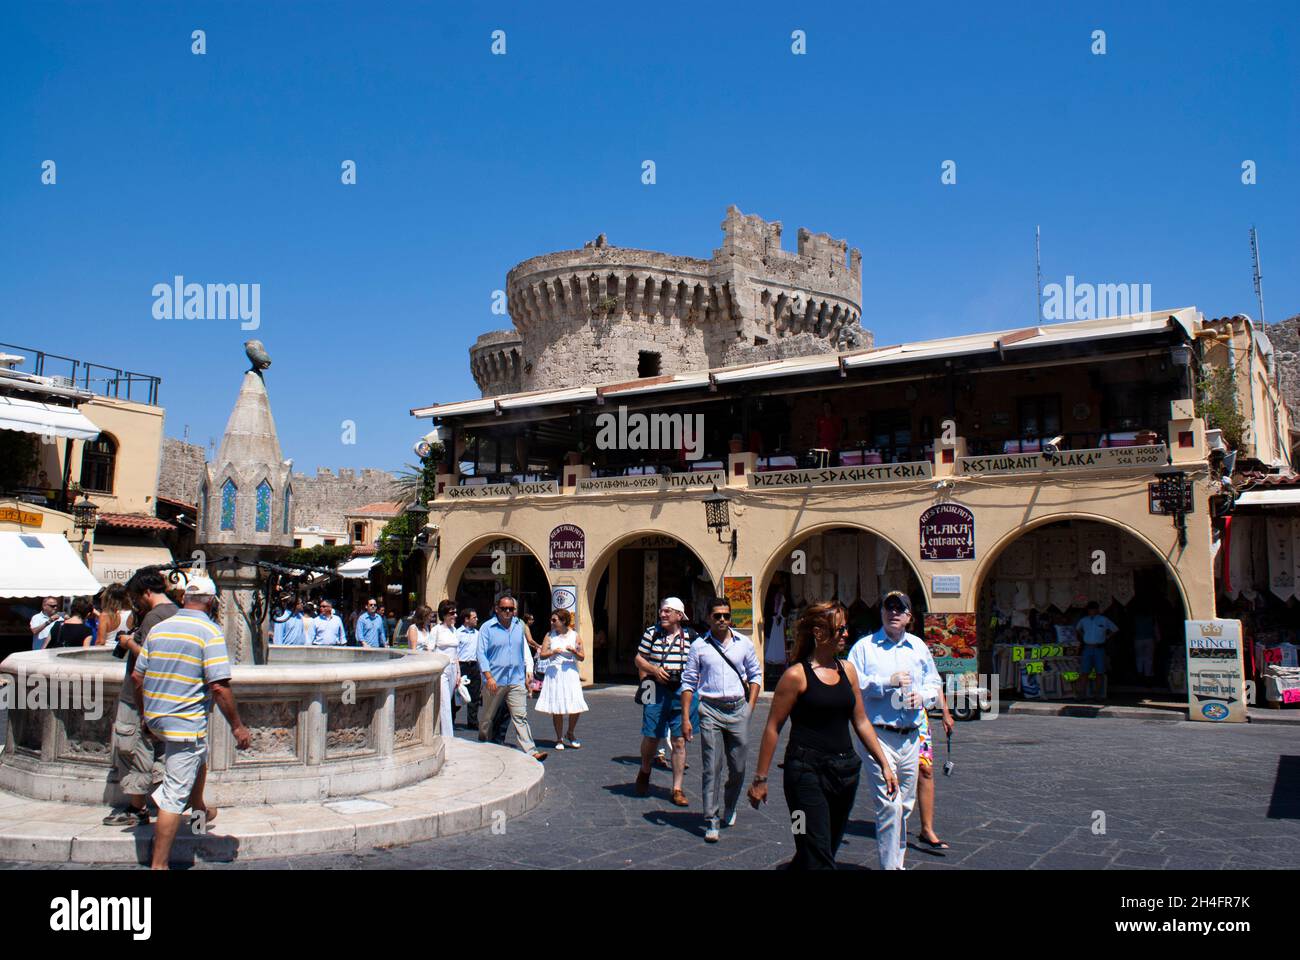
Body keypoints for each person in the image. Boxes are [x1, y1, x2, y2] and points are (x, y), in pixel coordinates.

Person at [748, 602, 898, 869]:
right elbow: (773, 727)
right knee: (817, 854)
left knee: (821, 849)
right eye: (840, 629)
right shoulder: (796, 676)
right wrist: (760, 779)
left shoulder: (848, 670)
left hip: (845, 773)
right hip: (806, 773)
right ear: (819, 633)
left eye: (846, 628)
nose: (846, 634)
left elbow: (861, 720)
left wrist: (884, 763)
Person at [132, 575, 251, 869]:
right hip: (185, 723)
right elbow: (220, 686)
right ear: (212, 603)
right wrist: (237, 726)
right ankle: (159, 865)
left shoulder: (159, 629)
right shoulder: (209, 632)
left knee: (201, 756)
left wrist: (146, 714)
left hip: (158, 718)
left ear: (185, 598)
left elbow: (137, 677)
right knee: (173, 796)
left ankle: (199, 808)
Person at [846, 589, 940, 870]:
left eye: (900, 609)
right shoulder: (865, 648)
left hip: (911, 735)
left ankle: (896, 863)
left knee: (905, 805)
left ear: (909, 616)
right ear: (882, 612)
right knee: (890, 804)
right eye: (889, 607)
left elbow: (934, 683)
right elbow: (853, 682)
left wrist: (923, 697)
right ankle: (891, 868)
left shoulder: (919, 648)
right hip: (877, 735)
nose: (893, 612)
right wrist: (886, 681)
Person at [681, 596, 762, 843]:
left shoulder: (744, 644)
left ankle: (730, 803)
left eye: (726, 615)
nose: (723, 620)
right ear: (708, 618)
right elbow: (689, 681)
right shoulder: (699, 646)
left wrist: (750, 707)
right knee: (711, 767)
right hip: (710, 710)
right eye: (717, 615)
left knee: (738, 768)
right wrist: (686, 717)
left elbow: (755, 675)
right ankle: (711, 819)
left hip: (738, 709)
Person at [102, 570, 178, 826]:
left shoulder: (154, 617)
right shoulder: (177, 612)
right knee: (159, 752)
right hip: (165, 695)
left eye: (137, 596)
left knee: (132, 747)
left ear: (147, 592)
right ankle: (163, 803)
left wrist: (126, 642)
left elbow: (148, 655)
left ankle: (137, 808)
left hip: (138, 696)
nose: (136, 602)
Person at [632, 597, 698, 806]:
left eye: (668, 611)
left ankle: (677, 788)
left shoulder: (692, 637)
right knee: (651, 736)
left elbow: (700, 662)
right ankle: (645, 768)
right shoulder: (652, 633)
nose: (662, 614)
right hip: (655, 687)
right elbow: (639, 659)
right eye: (662, 611)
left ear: (679, 615)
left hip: (682, 691)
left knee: (679, 740)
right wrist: (654, 670)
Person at [476, 593, 546, 761]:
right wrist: (488, 677)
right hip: (495, 680)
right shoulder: (487, 627)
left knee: (520, 716)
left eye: (511, 609)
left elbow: (523, 651)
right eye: (504, 609)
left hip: (515, 680)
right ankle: (483, 742)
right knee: (487, 718)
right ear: (497, 609)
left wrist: (527, 673)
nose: (508, 612)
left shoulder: (518, 626)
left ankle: (531, 750)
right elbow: (481, 653)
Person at [536, 609, 588, 748]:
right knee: (557, 706)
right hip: (555, 672)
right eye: (551, 620)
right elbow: (542, 654)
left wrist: (574, 651)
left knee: (576, 704)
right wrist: (553, 651)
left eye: (554, 620)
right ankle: (559, 738)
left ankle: (570, 732)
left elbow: (582, 656)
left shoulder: (575, 635)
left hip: (570, 672)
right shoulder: (550, 635)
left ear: (563, 621)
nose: (551, 622)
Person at [915, 683, 954, 849]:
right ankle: (894, 826)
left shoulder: (922, 655)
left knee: (926, 770)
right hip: (888, 720)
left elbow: (934, 681)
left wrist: (945, 712)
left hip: (918, 718)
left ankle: (927, 829)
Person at [421, 600, 461, 738]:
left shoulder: (454, 630)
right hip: (442, 670)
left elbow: (456, 654)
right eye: (451, 613)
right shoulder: (436, 630)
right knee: (444, 704)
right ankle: (448, 736)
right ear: (444, 614)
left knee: (446, 702)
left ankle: (436, 731)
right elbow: (430, 650)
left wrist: (458, 673)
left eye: (455, 612)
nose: (454, 615)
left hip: (452, 669)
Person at [1074, 601, 1118, 701]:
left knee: (1099, 672)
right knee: (1084, 672)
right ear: (1088, 610)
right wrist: (1084, 636)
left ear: (1097, 610)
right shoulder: (1084, 620)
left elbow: (1115, 629)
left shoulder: (1104, 619)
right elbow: (1077, 629)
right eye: (1090, 609)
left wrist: (1106, 637)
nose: (1092, 611)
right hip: (1087, 648)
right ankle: (1082, 694)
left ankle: (1098, 694)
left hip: (1099, 648)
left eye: (1093, 609)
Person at [455, 608, 482, 728]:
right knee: (459, 694)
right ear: (466, 619)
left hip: (474, 665)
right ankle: (451, 718)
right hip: (462, 665)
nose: (477, 619)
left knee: (474, 695)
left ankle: (473, 721)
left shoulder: (478, 634)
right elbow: (455, 652)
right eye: (474, 618)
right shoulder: (457, 633)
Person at [1132, 603, 1161, 683]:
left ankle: (1140, 674)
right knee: (1149, 658)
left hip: (1138, 639)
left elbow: (1133, 628)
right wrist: (1158, 639)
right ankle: (1147, 676)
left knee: (1139, 657)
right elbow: (1156, 629)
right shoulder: (1152, 618)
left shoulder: (1136, 618)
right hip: (1149, 639)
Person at [98, 584, 133, 649]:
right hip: (126, 653)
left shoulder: (105, 615)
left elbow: (101, 642)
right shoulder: (132, 614)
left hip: (107, 654)